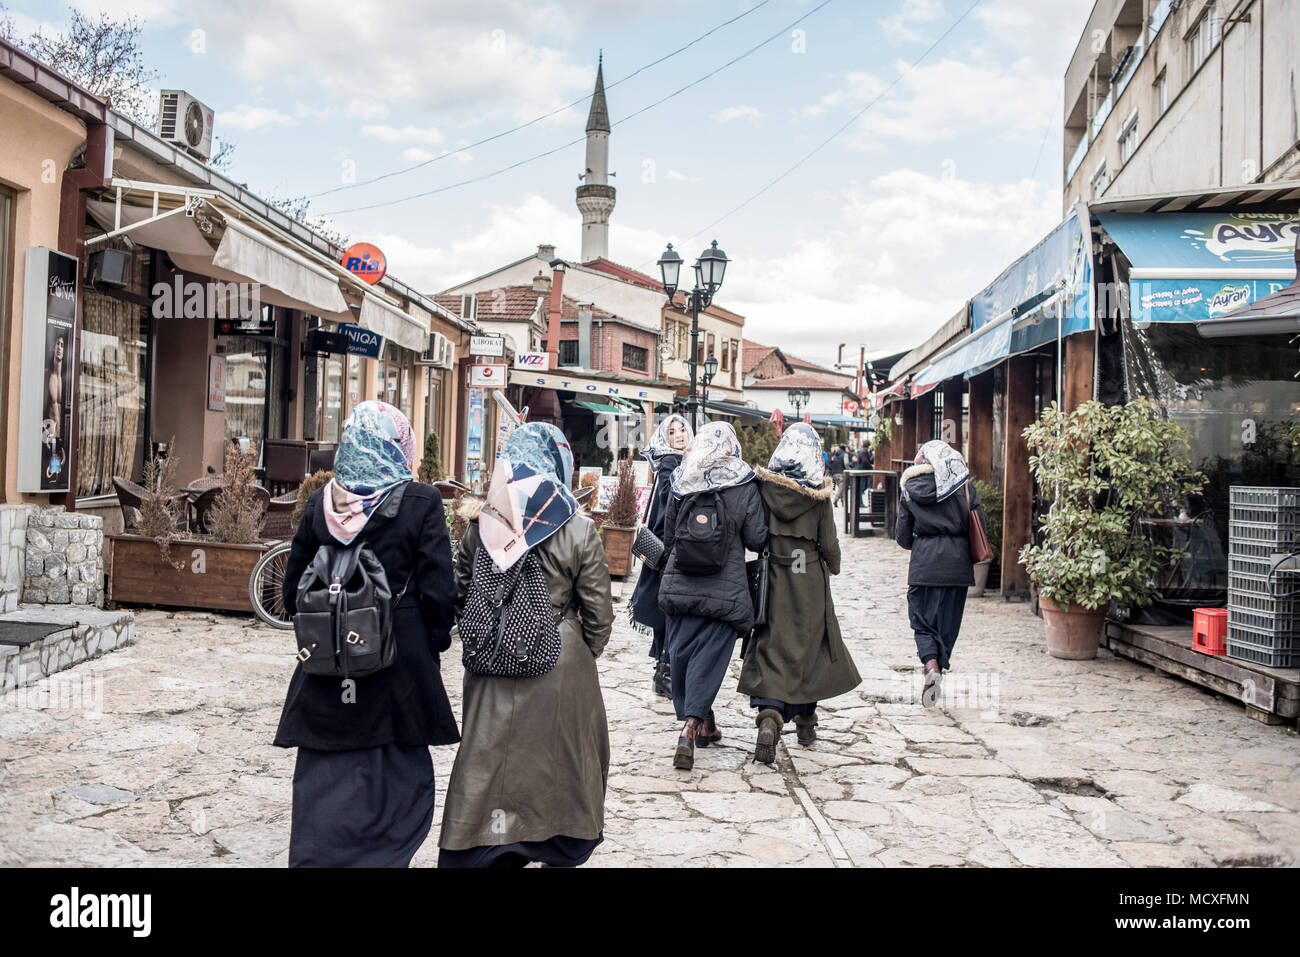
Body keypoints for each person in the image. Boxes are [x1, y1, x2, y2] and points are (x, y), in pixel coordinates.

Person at [275, 400, 458, 867]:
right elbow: (439, 590)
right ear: (397, 446)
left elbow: (295, 588)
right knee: (397, 769)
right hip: (399, 661)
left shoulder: (322, 503)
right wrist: (432, 642)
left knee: (325, 771)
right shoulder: (421, 501)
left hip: (328, 663)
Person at [439, 423, 614, 868]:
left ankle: (488, 842)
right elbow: (598, 615)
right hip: (560, 658)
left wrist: (493, 631)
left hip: (492, 658)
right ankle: (554, 837)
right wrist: (576, 651)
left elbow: (461, 592)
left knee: (488, 758)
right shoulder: (577, 529)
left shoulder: (482, 524)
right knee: (561, 762)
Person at [740, 424, 861, 762]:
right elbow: (829, 543)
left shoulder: (763, 488)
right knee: (811, 649)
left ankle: (769, 715)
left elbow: (755, 533)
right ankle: (806, 721)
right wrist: (833, 566)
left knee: (772, 645)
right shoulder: (818, 496)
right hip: (808, 579)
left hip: (773, 576)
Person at [657, 422, 768, 770]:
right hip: (725, 591)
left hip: (681, 585)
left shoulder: (682, 478)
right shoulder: (744, 483)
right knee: (709, 662)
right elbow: (756, 538)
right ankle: (691, 726)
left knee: (684, 658)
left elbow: (670, 534)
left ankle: (704, 724)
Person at [894, 439, 985, 708]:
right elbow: (979, 525)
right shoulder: (965, 487)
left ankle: (930, 665)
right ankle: (938, 669)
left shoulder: (910, 489)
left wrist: (921, 542)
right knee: (947, 624)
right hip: (957, 568)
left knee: (921, 622)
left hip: (924, 566)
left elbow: (902, 536)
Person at [629, 413, 692, 697]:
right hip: (669, 550)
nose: (679, 435)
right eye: (673, 432)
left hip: (668, 550)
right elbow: (667, 509)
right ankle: (665, 673)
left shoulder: (678, 461)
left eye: (683, 430)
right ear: (665, 438)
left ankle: (663, 672)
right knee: (671, 612)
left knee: (668, 609)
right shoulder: (671, 463)